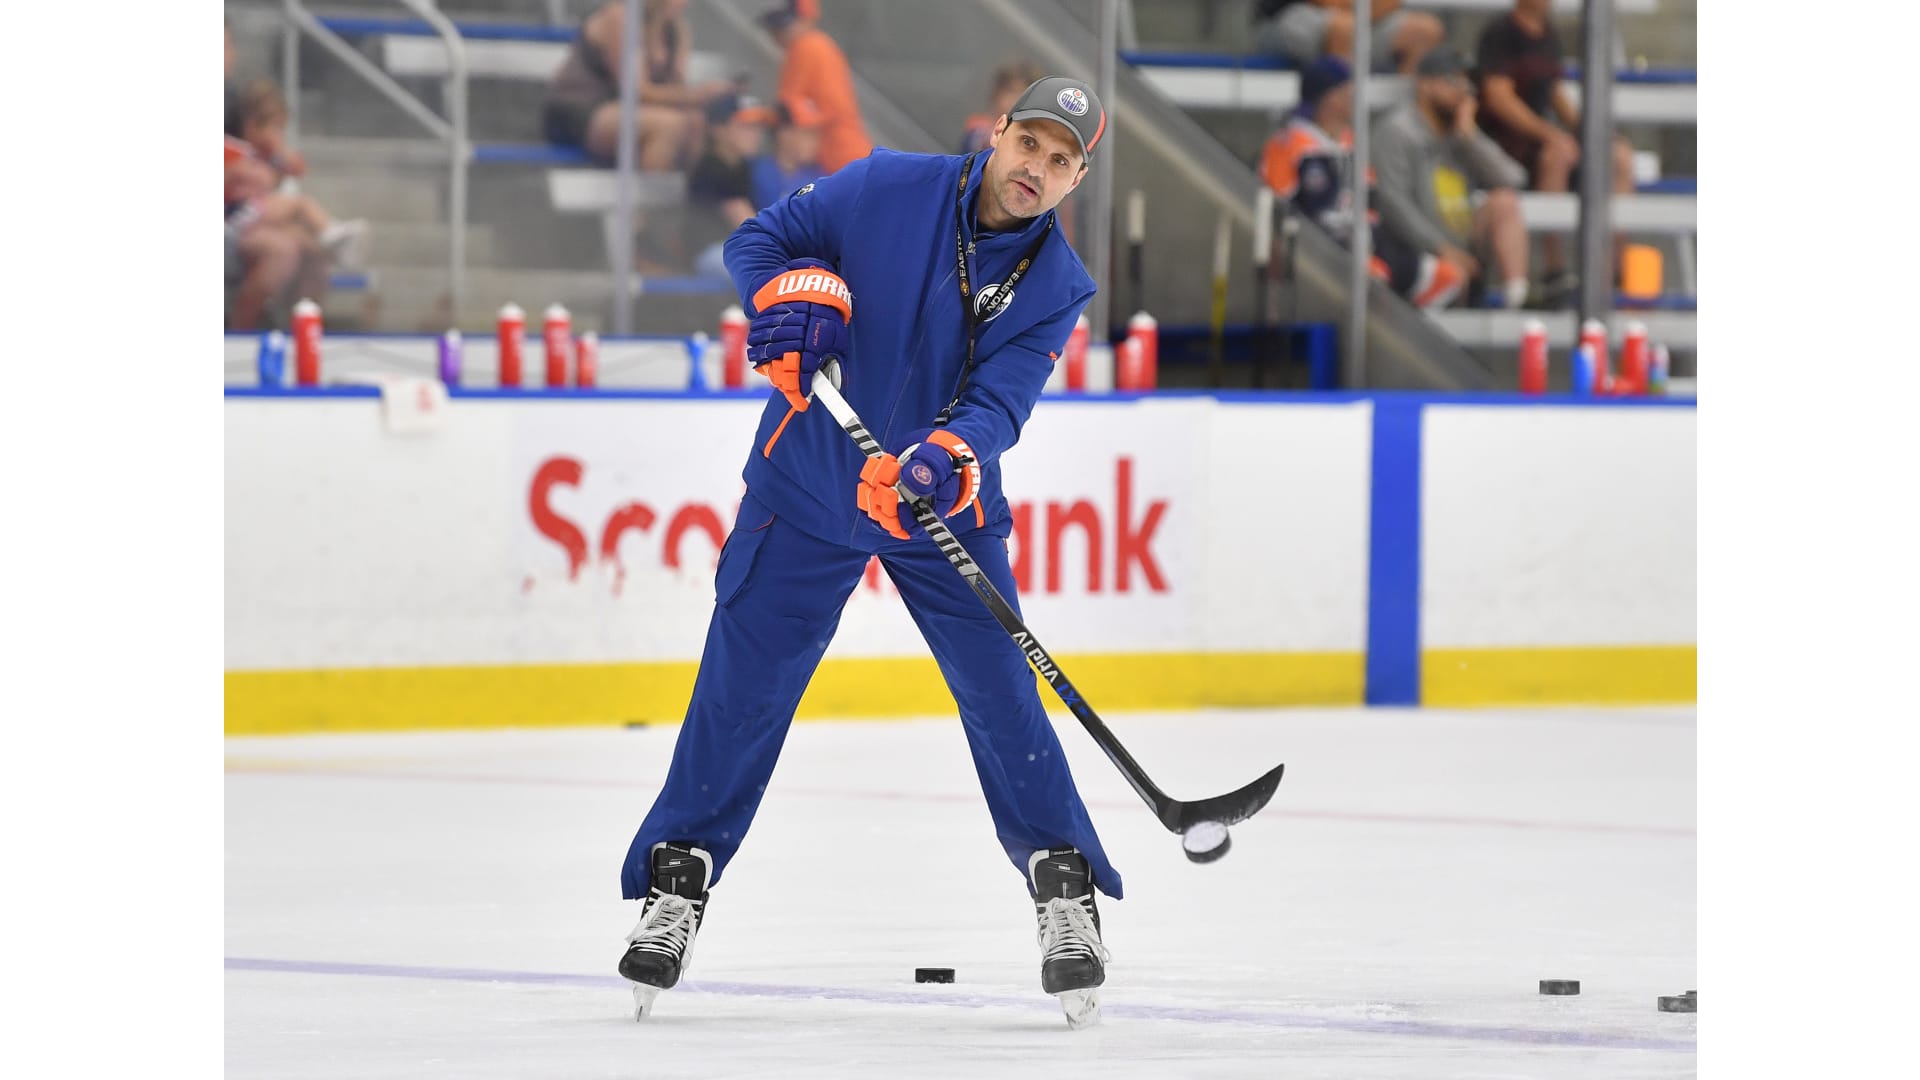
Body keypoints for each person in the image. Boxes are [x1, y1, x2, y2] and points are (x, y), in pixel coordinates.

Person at [616, 76, 1118, 1030]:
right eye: (1031, 146)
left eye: (1061, 163)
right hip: (806, 482)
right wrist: (791, 307)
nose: (1037, 171)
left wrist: (945, 457)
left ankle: (1064, 891)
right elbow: (759, 242)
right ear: (999, 132)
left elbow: (1002, 397)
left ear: (1076, 177)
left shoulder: (1058, 285)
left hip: (938, 507)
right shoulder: (886, 186)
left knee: (1004, 697)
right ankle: (678, 881)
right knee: (741, 690)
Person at [1261, 57, 1462, 309]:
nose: (1355, 97)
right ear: (1331, 97)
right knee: (1371, 278)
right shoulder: (1288, 144)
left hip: (1368, 240)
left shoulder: (1351, 142)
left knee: (1447, 277)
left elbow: (1370, 203)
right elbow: (1278, 210)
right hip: (1320, 248)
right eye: (1348, 90)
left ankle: (1398, 336)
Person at [1474, 0, 1637, 300]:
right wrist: (1548, 133)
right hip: (1507, 147)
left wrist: (1589, 131)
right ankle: (1554, 267)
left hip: (1542, 140)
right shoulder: (1502, 32)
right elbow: (1498, 97)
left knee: (1619, 154)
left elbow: (1554, 91)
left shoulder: (1548, 33)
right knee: (1559, 152)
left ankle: (1611, 267)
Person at [1371, 45, 1532, 308]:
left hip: (1464, 244)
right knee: (1449, 271)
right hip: (1415, 250)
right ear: (1425, 84)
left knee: (1505, 201)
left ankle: (1516, 300)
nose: (1463, 91)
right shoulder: (1397, 130)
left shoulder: (1461, 133)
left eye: (1467, 83)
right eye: (1453, 80)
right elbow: (1392, 200)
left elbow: (1514, 180)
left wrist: (1471, 138)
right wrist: (1440, 247)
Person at [542, 0, 734, 168]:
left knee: (697, 123)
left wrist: (713, 97)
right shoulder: (620, 17)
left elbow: (676, 90)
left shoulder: (678, 30)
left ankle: (701, 198)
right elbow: (637, 91)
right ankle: (644, 206)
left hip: (633, 109)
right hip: (582, 108)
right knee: (669, 126)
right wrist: (699, 95)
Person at [760, 0, 872, 171]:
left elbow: (786, 109)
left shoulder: (807, 46)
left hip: (839, 156)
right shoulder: (819, 45)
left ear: (808, 18)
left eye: (784, 26)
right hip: (842, 155)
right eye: (774, 28)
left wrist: (749, 115)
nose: (777, 34)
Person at [687, 94, 776, 278]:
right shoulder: (712, 166)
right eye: (746, 127)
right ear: (719, 130)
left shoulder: (742, 166)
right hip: (708, 252)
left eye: (757, 128)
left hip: (733, 248)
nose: (755, 134)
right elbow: (745, 221)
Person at [1252, 0, 1445, 75]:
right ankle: (1344, 125)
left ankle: (1401, 127)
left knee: (1425, 31)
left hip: (1359, 15)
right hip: (1290, 15)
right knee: (1345, 28)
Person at [748, 96, 828, 210]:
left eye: (817, 134)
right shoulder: (755, 172)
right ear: (784, 133)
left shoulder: (820, 178)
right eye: (808, 134)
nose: (816, 141)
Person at [957, 60, 1042, 154]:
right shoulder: (977, 129)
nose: (1014, 101)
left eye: (1021, 96)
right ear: (998, 92)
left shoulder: (1025, 140)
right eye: (1011, 91)